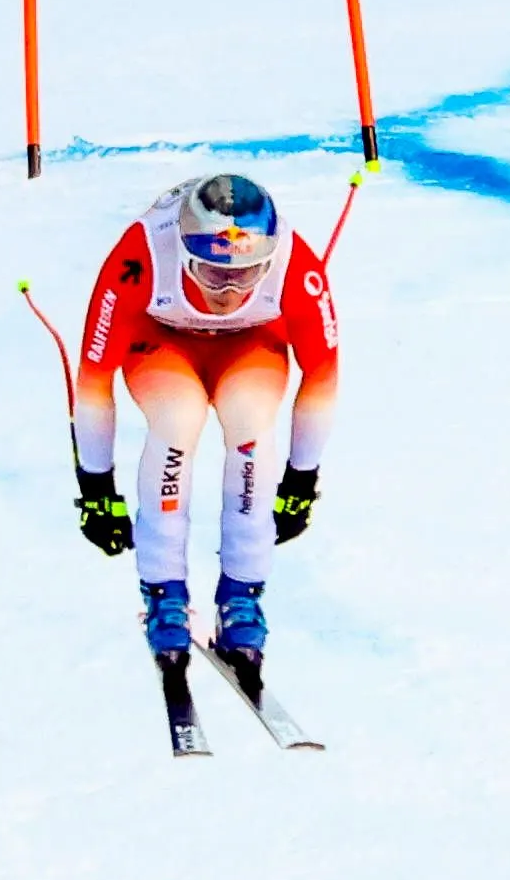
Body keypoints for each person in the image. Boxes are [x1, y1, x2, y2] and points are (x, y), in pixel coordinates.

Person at [68, 173, 341, 673]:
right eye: (212, 274)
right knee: (177, 419)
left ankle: (243, 594)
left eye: (249, 272)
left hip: (250, 346)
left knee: (252, 424)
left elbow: (322, 373)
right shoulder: (142, 253)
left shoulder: (296, 264)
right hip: (163, 343)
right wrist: (96, 485)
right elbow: (93, 379)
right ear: (184, 251)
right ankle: (163, 590)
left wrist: (302, 478)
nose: (230, 290)